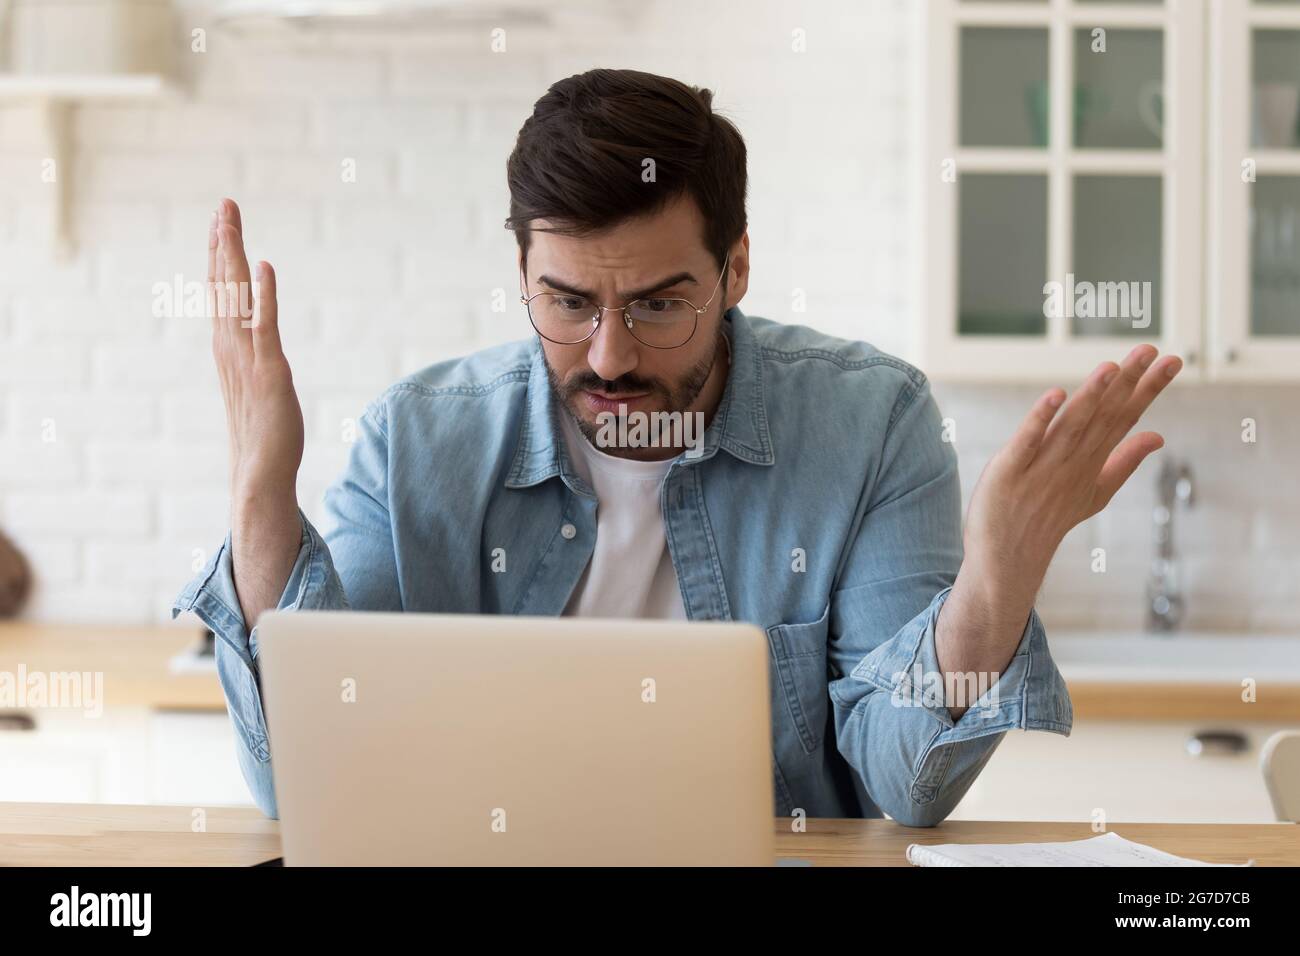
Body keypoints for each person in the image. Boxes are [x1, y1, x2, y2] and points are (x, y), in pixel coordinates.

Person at [174, 69, 1182, 823]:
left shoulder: (870, 421)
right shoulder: (416, 437)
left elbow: (899, 780)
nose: (610, 354)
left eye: (660, 303)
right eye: (566, 302)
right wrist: (262, 489)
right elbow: (306, 781)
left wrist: (995, 582)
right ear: (520, 269)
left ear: (734, 265)